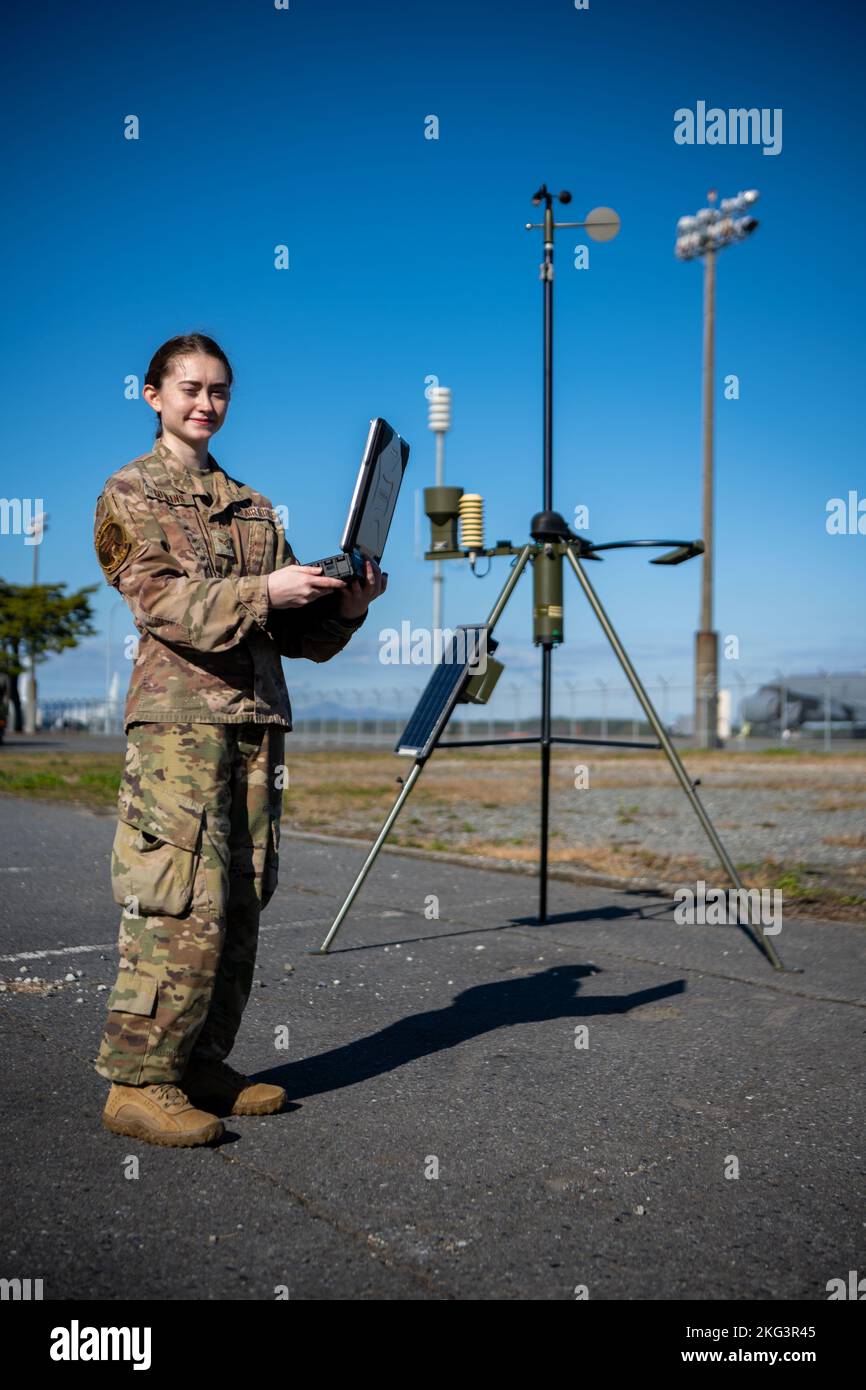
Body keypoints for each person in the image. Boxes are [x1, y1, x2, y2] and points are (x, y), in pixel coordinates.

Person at [93, 332, 386, 1147]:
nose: (206, 403)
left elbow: (295, 635)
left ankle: (198, 1064)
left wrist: (348, 605)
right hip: (178, 728)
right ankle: (138, 1082)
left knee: (242, 899)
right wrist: (266, 587)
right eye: (189, 388)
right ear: (151, 394)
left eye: (219, 390)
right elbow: (162, 604)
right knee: (180, 897)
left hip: (254, 723)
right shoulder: (129, 492)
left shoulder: (254, 506)